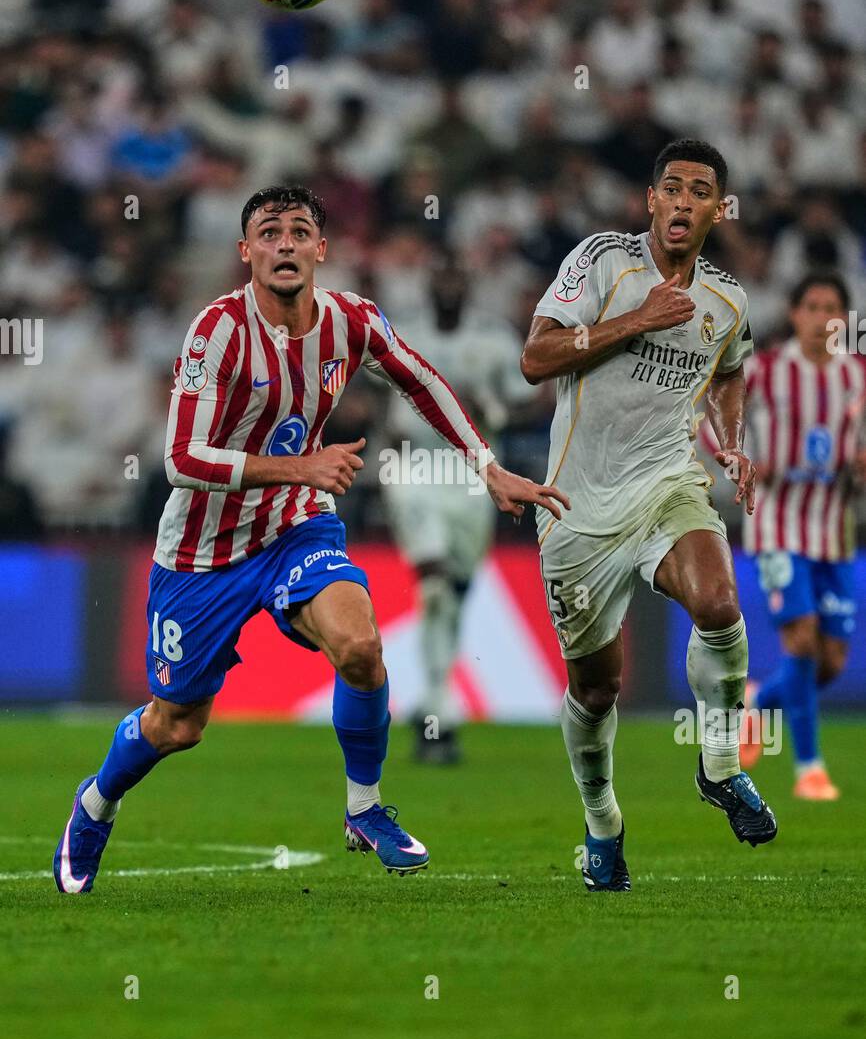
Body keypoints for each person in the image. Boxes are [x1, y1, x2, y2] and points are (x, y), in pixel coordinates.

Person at [53, 185, 567, 893]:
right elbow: (181, 458)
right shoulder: (217, 332)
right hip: (205, 551)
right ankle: (95, 805)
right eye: (270, 232)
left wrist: (487, 466)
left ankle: (364, 808)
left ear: (322, 249)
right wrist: (301, 465)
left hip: (296, 525)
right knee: (177, 725)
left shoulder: (350, 321)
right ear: (247, 253)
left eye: (300, 231)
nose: (286, 242)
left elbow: (419, 381)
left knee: (360, 648)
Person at [521, 139, 777, 893]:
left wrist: (730, 445)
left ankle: (721, 765)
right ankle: (602, 821)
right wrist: (633, 320)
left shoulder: (727, 299)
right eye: (674, 188)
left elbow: (728, 374)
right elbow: (535, 358)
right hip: (577, 507)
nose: (685, 201)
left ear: (717, 210)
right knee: (598, 689)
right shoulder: (603, 261)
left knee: (721, 604)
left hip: (667, 480)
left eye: (702, 191)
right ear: (652, 201)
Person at [382, 260, 531, 763]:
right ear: (429, 285)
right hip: (414, 467)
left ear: (466, 286)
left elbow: (532, 399)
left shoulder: (493, 340)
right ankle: (439, 716)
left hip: (474, 471)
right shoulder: (403, 333)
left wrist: (490, 409)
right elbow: (363, 388)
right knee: (435, 586)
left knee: (453, 596)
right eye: (439, 278)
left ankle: (431, 704)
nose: (447, 286)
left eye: (455, 279)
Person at [737, 273, 866, 798]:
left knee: (831, 661)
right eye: (811, 306)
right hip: (777, 524)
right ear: (795, 314)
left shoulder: (856, 378)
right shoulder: (764, 371)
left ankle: (757, 704)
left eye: (831, 307)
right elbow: (711, 421)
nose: (821, 317)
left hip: (835, 529)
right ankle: (809, 768)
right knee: (804, 640)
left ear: (843, 318)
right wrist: (741, 460)